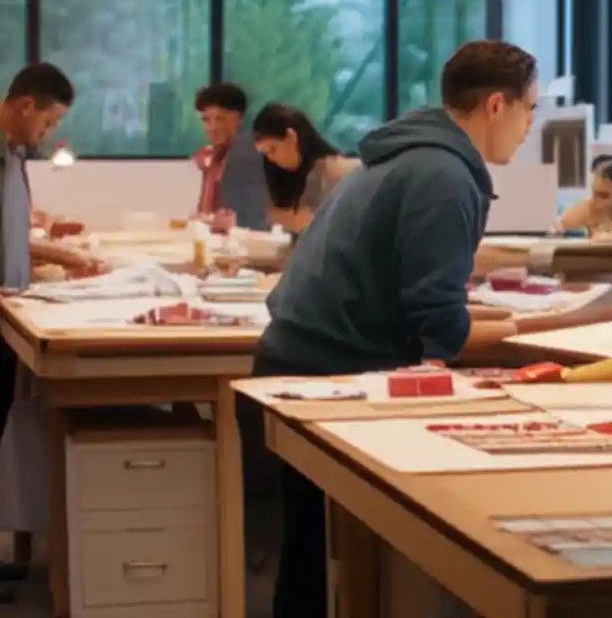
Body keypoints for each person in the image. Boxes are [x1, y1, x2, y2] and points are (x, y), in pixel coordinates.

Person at [249, 40, 542, 618]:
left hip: (297, 362)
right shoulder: (445, 176)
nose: (531, 126)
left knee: (308, 559)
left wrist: (517, 320)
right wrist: (551, 330)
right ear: (496, 105)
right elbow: (442, 329)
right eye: (530, 110)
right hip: (332, 377)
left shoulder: (404, 155)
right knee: (352, 559)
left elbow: (417, 302)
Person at [0, 63, 94, 604]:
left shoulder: (16, 157)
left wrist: (57, 254)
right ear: (26, 105)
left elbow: (12, 237)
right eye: (49, 120)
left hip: (11, 316)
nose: (48, 133)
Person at [251, 103, 358, 234]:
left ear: (291, 136)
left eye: (273, 149)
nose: (271, 158)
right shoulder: (280, 175)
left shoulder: (334, 171)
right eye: (265, 154)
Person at [193, 83, 269, 231]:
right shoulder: (216, 157)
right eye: (206, 120)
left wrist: (213, 220)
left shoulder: (248, 153)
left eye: (220, 119)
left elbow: (252, 218)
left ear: (239, 118)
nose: (212, 128)